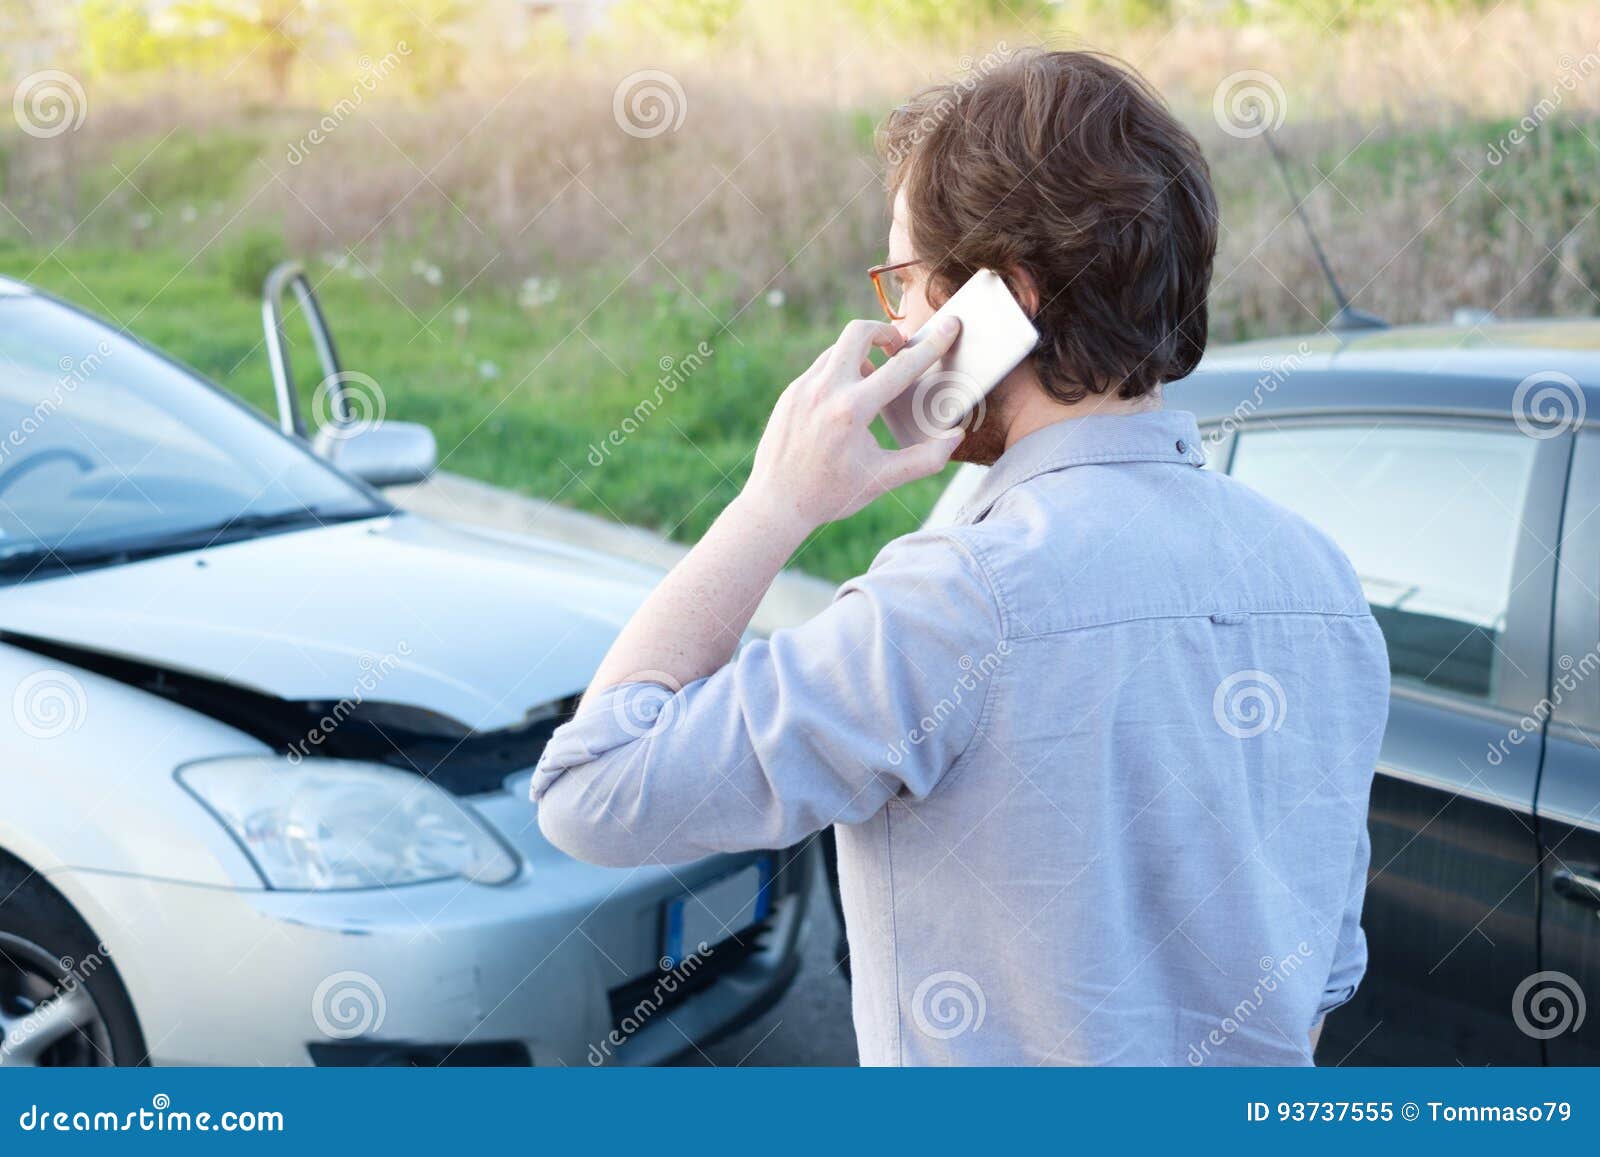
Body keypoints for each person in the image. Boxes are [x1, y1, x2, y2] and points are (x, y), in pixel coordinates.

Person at [531, 48, 1389, 1066]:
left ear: (1004, 302)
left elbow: (593, 790)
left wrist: (773, 503)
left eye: (906, 284)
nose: (897, 327)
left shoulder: (955, 604)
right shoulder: (1322, 584)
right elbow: (1321, 979)